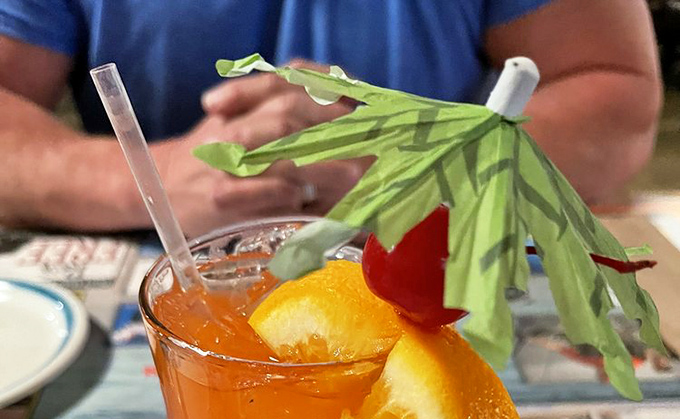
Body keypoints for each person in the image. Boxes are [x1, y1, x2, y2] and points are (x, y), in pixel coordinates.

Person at [0, 0, 662, 238]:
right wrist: (148, 181)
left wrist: (415, 169)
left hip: (431, 260)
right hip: (160, 288)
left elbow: (616, 96)